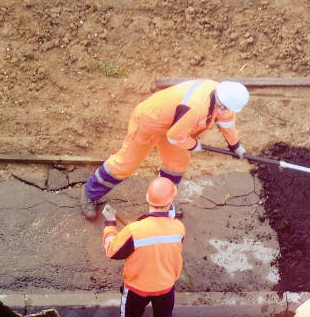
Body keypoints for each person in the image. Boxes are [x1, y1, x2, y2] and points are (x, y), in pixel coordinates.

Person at [81, 79, 250, 220]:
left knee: (177, 163)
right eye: (222, 107)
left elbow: (227, 121)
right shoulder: (197, 106)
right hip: (150, 122)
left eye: (225, 108)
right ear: (220, 100)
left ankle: (163, 202)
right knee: (127, 163)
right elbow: (175, 137)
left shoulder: (224, 99)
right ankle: (90, 193)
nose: (223, 111)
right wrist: (193, 145)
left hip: (175, 126)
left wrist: (235, 146)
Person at [103, 177, 185, 317]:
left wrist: (110, 226)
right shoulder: (178, 228)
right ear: (170, 203)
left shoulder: (134, 231)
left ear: (148, 200)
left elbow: (112, 251)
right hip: (165, 286)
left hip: (136, 289)